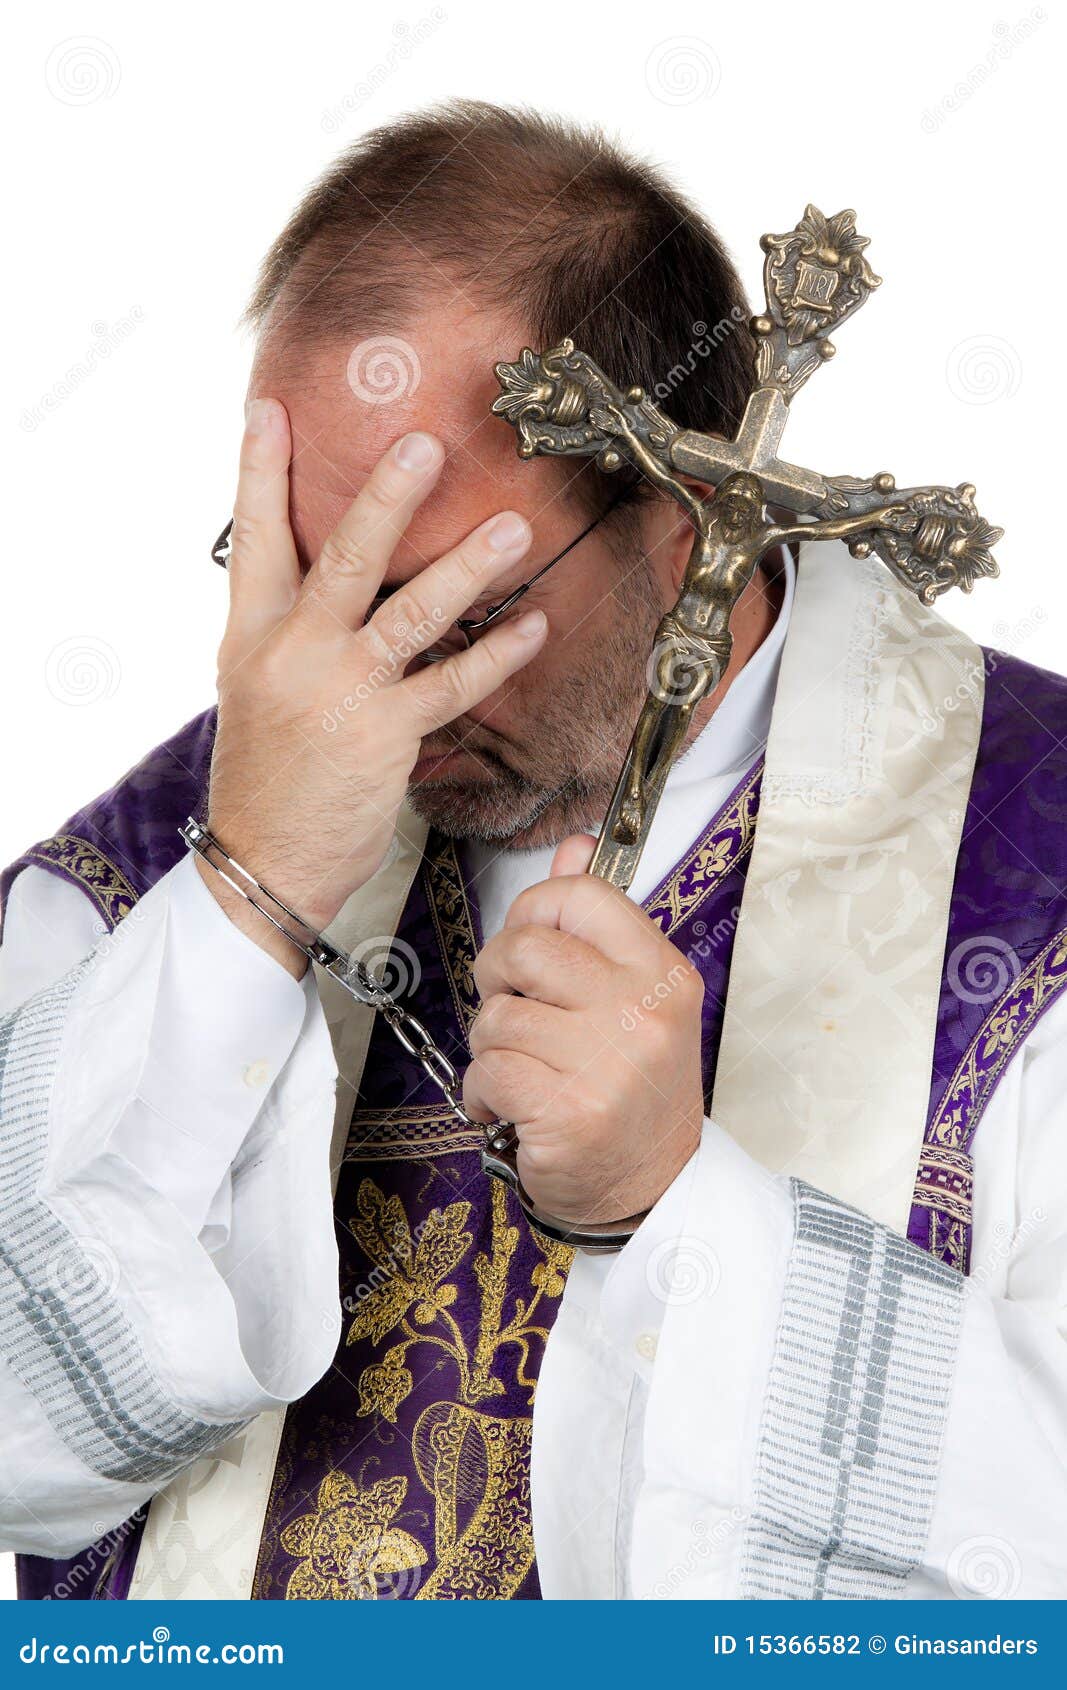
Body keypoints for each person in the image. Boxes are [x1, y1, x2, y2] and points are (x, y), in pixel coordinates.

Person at [1, 99, 1064, 1602]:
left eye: (440, 601)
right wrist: (243, 902)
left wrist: (679, 1208)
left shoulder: (1040, 872)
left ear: (691, 516)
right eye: (299, 569)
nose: (358, 681)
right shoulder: (139, 868)